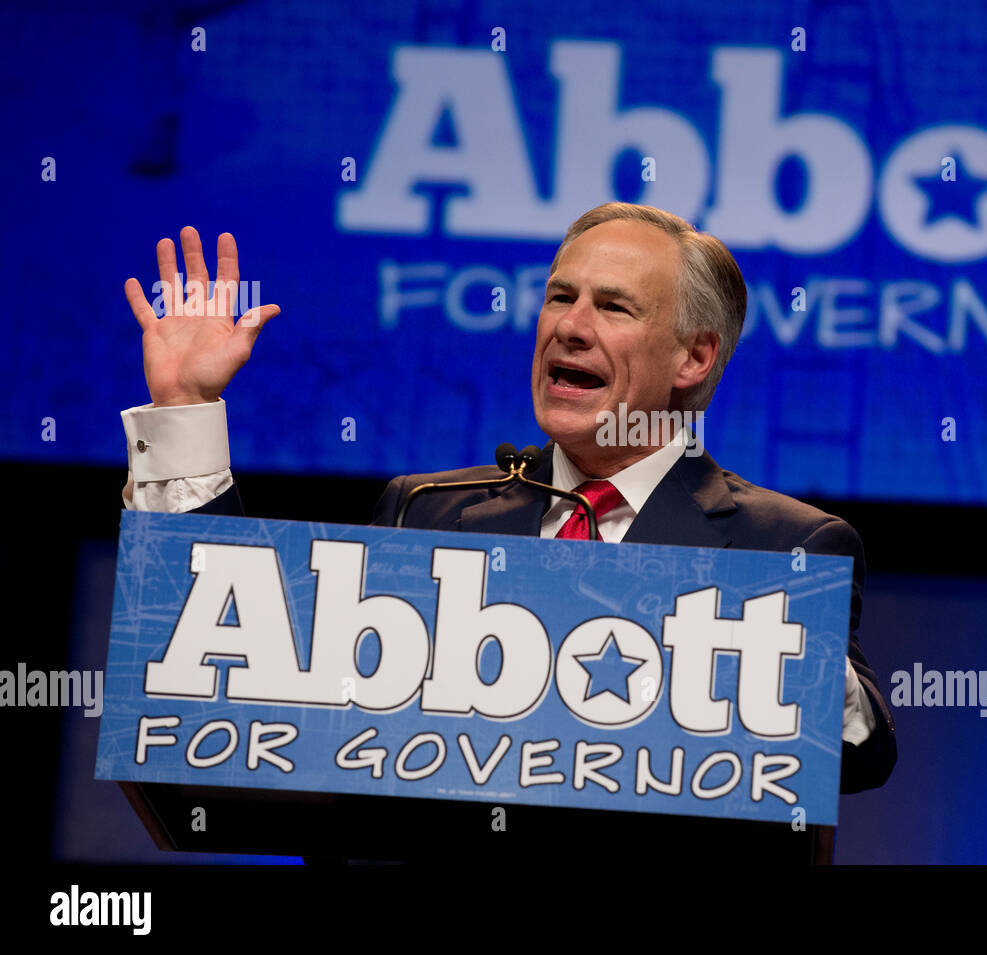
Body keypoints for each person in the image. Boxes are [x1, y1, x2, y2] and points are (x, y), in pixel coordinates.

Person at [120, 202, 897, 858]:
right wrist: (186, 409)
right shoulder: (427, 513)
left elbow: (857, 754)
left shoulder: (781, 546)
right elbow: (232, 677)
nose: (570, 326)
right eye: (561, 297)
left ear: (695, 356)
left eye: (614, 306)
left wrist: (759, 631)